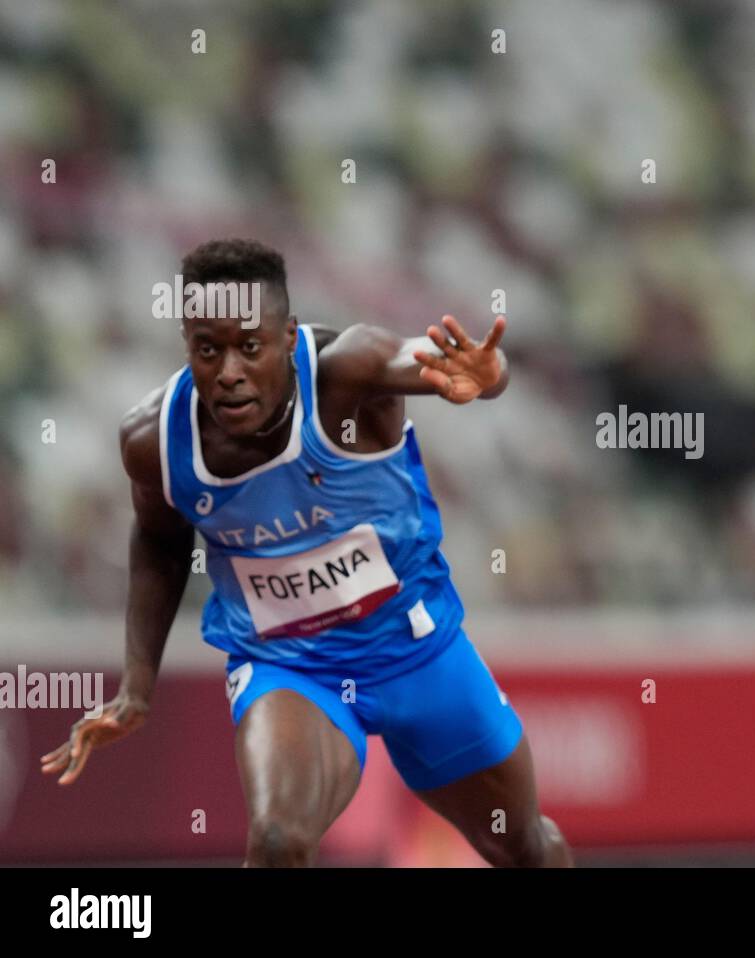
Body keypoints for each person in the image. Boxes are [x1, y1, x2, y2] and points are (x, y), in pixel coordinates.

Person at [41, 238, 572, 867]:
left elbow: (424, 360)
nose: (229, 372)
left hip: (419, 652)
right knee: (276, 840)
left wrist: (489, 376)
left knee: (523, 848)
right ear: (186, 345)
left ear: (289, 339)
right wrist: (136, 687)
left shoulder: (348, 372)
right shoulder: (154, 440)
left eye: (249, 346)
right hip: (292, 668)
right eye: (207, 350)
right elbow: (159, 540)